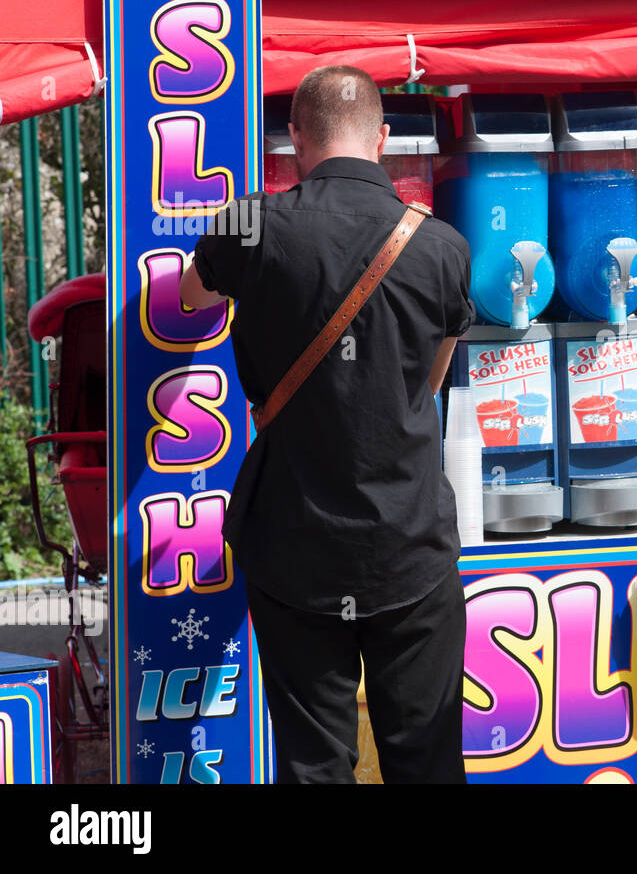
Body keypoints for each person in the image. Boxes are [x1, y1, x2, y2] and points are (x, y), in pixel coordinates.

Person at [178, 65, 474, 783]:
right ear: (382, 138)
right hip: (410, 546)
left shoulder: (249, 221)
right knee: (427, 757)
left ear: (295, 138)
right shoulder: (441, 246)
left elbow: (190, 297)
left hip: (294, 543)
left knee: (314, 764)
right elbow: (431, 382)